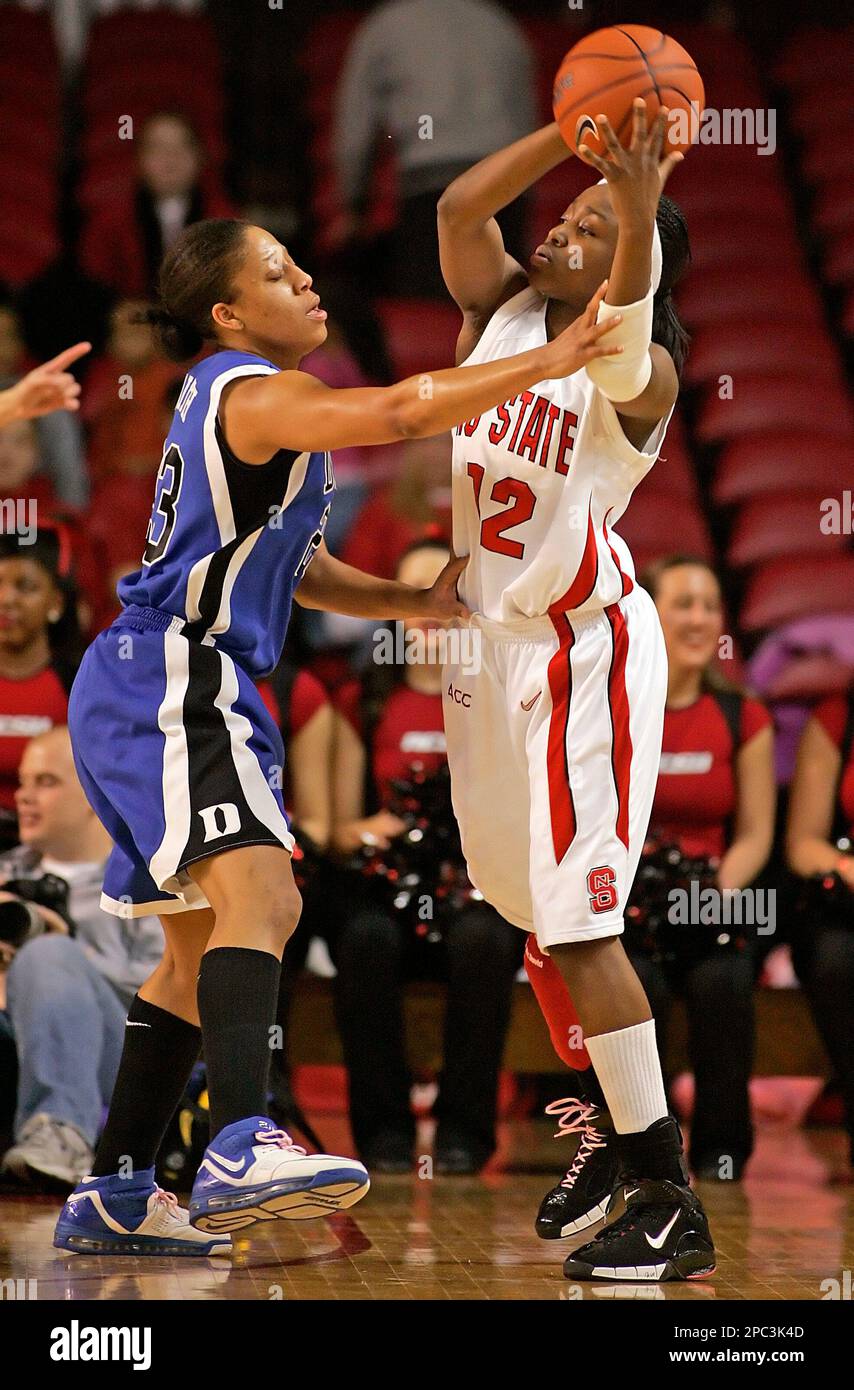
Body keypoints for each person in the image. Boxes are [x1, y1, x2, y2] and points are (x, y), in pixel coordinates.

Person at [52, 214, 618, 1258]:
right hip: (174, 673)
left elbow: (298, 569)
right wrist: (554, 354)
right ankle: (236, 1142)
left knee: (189, 949)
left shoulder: (271, 420)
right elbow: (406, 407)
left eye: (300, 262)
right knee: (263, 892)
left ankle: (116, 1190)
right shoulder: (249, 389)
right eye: (276, 272)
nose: (306, 279)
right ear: (227, 314)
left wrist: (413, 607)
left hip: (154, 678)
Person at [437, 101, 716, 1281]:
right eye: (567, 213)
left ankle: (667, 1191)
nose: (562, 226)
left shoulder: (636, 367)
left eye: (592, 230)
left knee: (580, 916)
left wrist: (637, 200)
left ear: (631, 265)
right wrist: (571, 136)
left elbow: (635, 302)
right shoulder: (497, 314)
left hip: (579, 645)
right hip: (482, 645)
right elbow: (458, 207)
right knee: (518, 902)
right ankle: (611, 1129)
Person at [331, 537, 521, 1173]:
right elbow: (339, 825)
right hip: (391, 888)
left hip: (475, 883)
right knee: (362, 938)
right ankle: (381, 1134)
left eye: (444, 597)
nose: (430, 612)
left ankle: (466, 1133)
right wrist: (376, 831)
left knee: (487, 940)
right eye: (414, 597)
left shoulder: (502, 695)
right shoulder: (366, 700)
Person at [0, 727, 163, 1190]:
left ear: (97, 791)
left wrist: (68, 952)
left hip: (122, 1055)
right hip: (15, 1043)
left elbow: (168, 998)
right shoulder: (6, 874)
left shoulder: (146, 880)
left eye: (46, 783)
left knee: (49, 952)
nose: (25, 797)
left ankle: (61, 1135)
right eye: (23, 782)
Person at [331, 0, 535, 297]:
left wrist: (354, 207)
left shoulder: (385, 24)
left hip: (429, 189)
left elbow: (355, 129)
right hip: (504, 188)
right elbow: (529, 125)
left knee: (428, 313)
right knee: (504, 312)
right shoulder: (501, 23)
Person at [786, 687, 854, 1182]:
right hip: (845, 900)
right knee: (835, 961)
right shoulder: (836, 717)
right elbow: (804, 844)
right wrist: (846, 867)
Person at [80, 112, 233, 299]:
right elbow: (94, 285)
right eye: (158, 148)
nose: (170, 160)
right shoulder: (110, 222)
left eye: (182, 148)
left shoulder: (224, 221)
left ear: (200, 157)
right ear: (139, 159)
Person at [0, 528, 85, 835]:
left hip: (60, 851)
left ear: (56, 603)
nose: (7, 599)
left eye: (25, 587)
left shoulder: (81, 684)